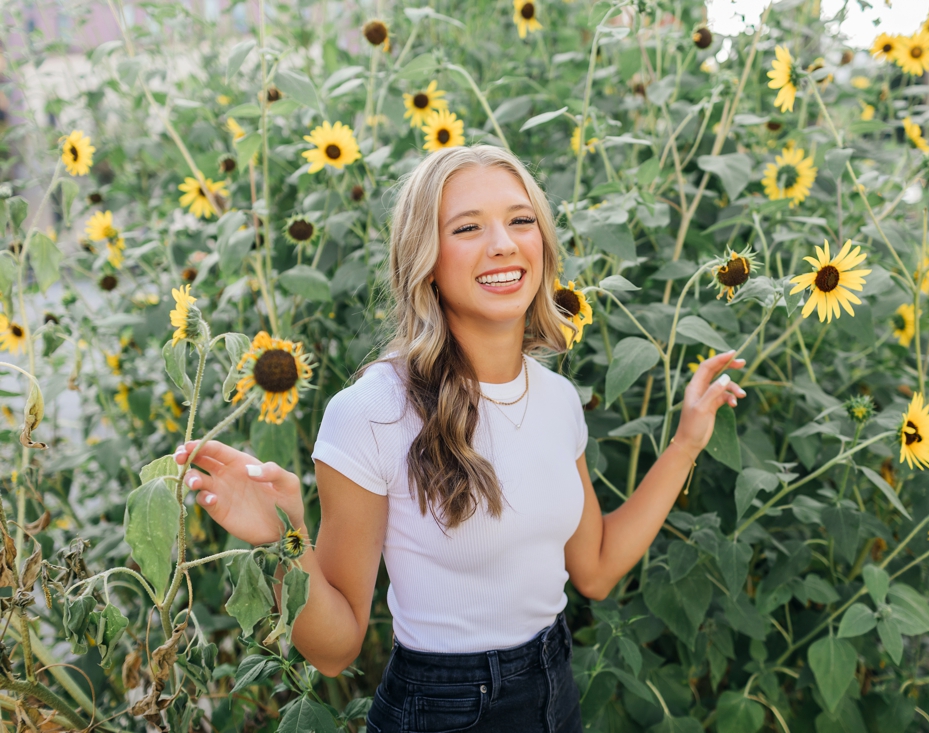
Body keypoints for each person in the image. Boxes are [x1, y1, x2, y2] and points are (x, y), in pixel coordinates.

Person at [172, 145, 746, 732]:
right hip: (443, 710)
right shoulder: (371, 413)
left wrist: (684, 445)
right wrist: (282, 538)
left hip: (555, 689)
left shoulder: (557, 399)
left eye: (521, 220)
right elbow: (335, 648)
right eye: (468, 227)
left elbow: (594, 569)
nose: (503, 242)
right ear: (425, 259)